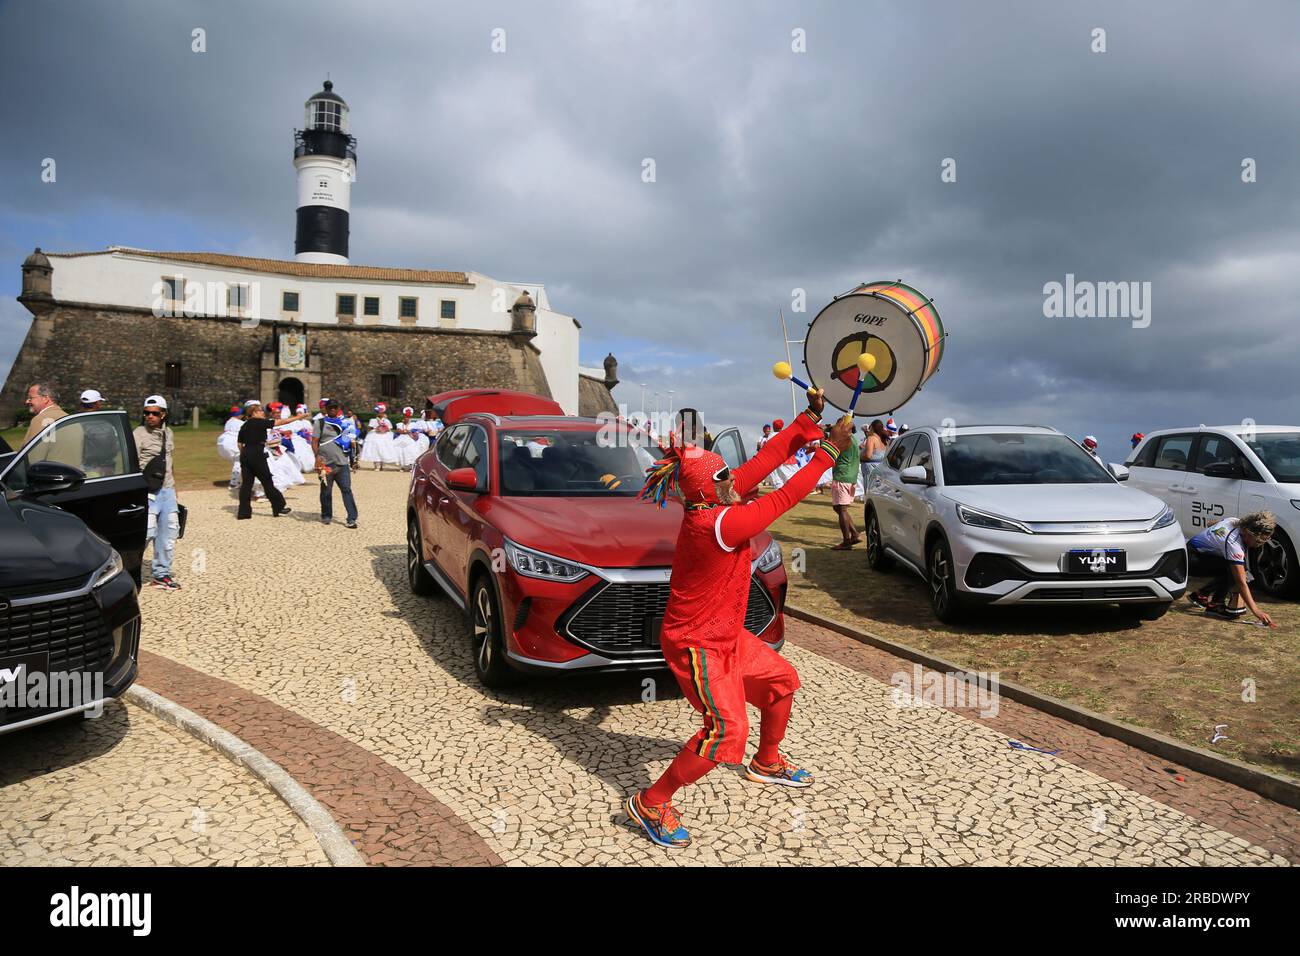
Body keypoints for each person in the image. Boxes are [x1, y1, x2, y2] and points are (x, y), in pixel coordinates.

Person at [625, 388, 852, 848]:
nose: (736, 476)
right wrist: (828, 452)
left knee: (782, 681)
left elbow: (766, 461)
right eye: (727, 473)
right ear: (711, 487)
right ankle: (652, 800)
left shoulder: (715, 498)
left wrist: (808, 421)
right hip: (696, 644)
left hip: (726, 635)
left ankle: (767, 761)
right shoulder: (716, 525)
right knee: (726, 729)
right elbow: (784, 496)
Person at [1188, 512, 1277, 627]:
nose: (1259, 544)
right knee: (1234, 569)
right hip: (1191, 559)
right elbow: (1241, 582)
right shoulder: (1234, 543)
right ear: (1248, 533)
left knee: (1233, 565)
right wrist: (1256, 611)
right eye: (1258, 541)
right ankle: (1215, 605)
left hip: (1193, 552)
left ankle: (1201, 595)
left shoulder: (1234, 521)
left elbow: (1212, 524)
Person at [132, 395, 182, 590]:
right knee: (146, 533)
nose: (149, 417)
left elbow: (169, 461)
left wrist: (174, 489)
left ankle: (161, 575)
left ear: (163, 414)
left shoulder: (168, 433)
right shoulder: (138, 433)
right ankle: (129, 572)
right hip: (147, 491)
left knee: (169, 534)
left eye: (154, 413)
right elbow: (132, 465)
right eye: (146, 413)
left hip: (167, 490)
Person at [237, 403, 307, 519]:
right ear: (253, 413)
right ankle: (278, 506)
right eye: (260, 411)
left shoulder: (244, 426)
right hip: (257, 453)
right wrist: (299, 417)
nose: (263, 413)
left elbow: (240, 444)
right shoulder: (261, 423)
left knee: (246, 485)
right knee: (267, 481)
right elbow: (282, 422)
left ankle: (243, 512)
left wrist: (244, 455)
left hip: (245, 454)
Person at [314, 399, 359, 528]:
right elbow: (314, 441)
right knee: (326, 491)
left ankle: (352, 518)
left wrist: (353, 459)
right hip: (325, 462)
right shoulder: (320, 423)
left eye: (335, 407)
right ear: (326, 409)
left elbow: (352, 442)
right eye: (330, 407)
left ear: (338, 408)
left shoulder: (346, 423)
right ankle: (326, 515)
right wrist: (317, 457)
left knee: (346, 490)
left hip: (342, 462)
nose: (332, 409)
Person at [829, 421, 863, 549]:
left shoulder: (843, 439)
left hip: (842, 476)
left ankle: (846, 541)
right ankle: (854, 534)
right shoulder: (853, 439)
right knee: (838, 508)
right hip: (851, 476)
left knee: (841, 509)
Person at [360, 403, 398, 471]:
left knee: (384, 449)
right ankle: (376, 465)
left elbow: (390, 428)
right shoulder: (373, 420)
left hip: (384, 436)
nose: (379, 414)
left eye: (381, 412)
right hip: (375, 435)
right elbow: (370, 427)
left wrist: (385, 428)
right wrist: (376, 428)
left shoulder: (386, 420)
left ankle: (382, 464)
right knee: (375, 449)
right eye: (378, 412)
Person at [861, 419, 890, 487]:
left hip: (870, 470)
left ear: (872, 428)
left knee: (869, 491)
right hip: (881, 469)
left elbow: (868, 455)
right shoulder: (883, 440)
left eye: (869, 428)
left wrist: (859, 457)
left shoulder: (871, 438)